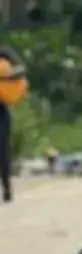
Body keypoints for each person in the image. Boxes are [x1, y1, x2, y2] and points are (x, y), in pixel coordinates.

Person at [0, 45, 29, 203]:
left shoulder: (4, 53)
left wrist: (5, 76)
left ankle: (6, 187)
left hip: (1, 108)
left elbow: (21, 70)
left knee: (3, 149)